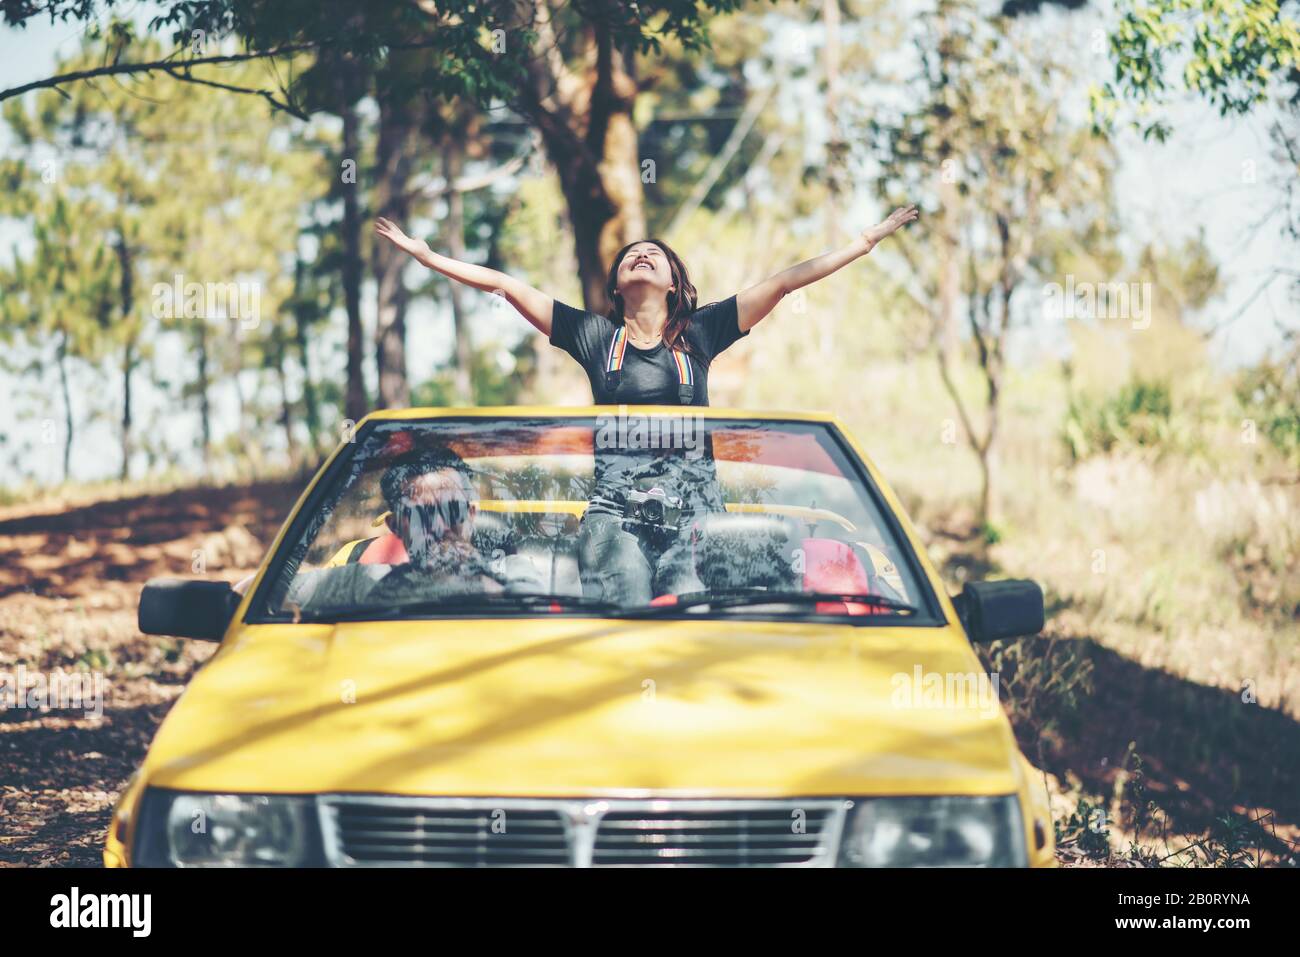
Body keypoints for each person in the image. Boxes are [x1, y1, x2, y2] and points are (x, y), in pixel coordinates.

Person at [374, 206, 919, 603]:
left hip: (697, 512)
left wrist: (864, 242)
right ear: (616, 283)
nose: (641, 255)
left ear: (674, 285)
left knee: (685, 603)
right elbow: (505, 285)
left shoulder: (701, 334)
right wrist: (427, 257)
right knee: (624, 605)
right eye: (632, 255)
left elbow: (784, 283)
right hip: (613, 515)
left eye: (654, 255)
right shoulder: (592, 338)